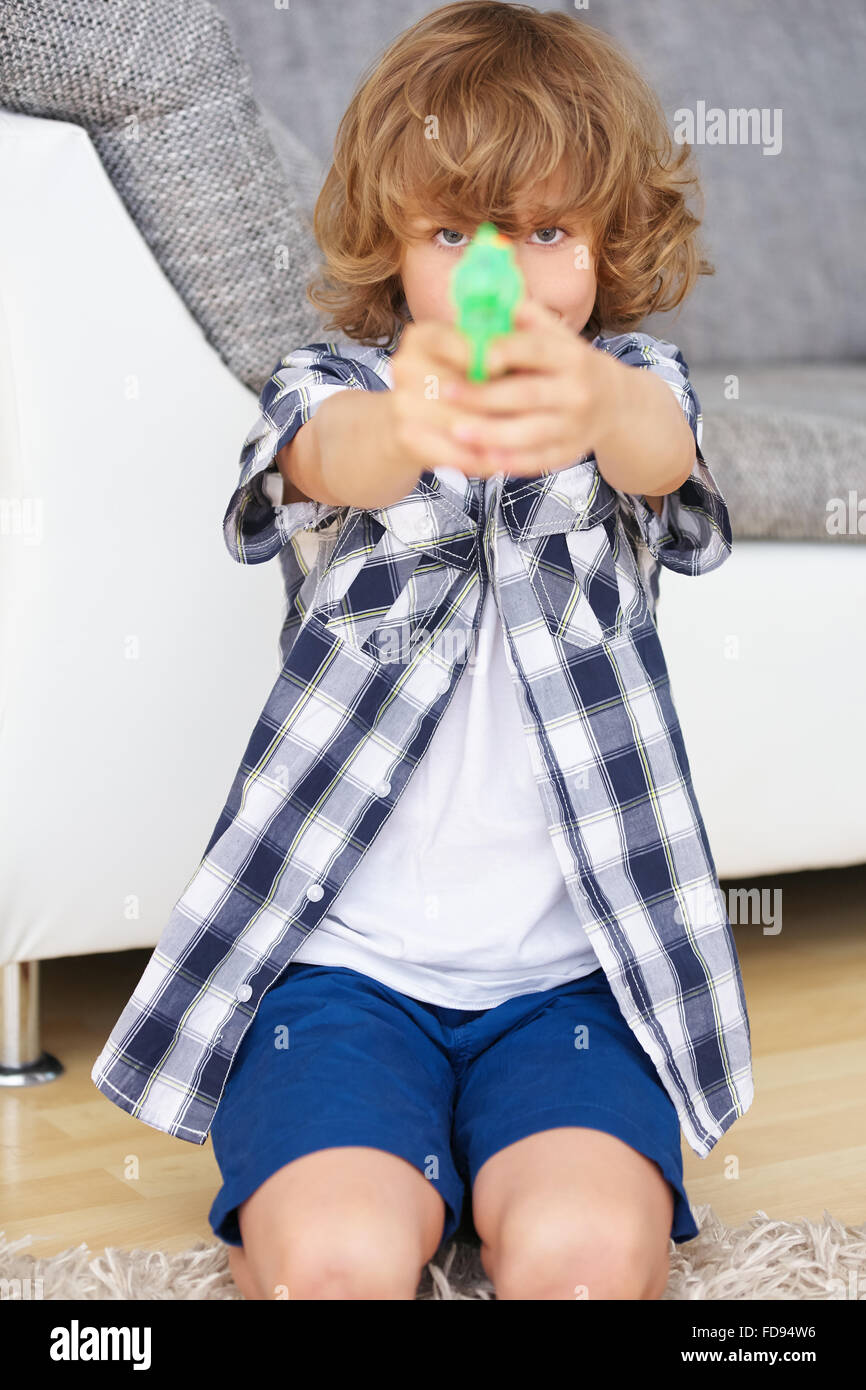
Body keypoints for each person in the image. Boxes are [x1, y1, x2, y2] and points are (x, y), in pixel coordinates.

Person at [91, 1, 753, 1300]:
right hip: (341, 979)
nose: (494, 271)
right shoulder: (333, 391)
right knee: (337, 1261)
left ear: (608, 245)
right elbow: (315, 460)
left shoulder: (635, 384)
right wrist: (406, 431)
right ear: (390, 243)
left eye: (544, 232)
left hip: (571, 982)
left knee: (583, 1260)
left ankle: (513, 1163)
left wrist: (593, 400)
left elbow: (660, 455)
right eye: (453, 233)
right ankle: (365, 1162)